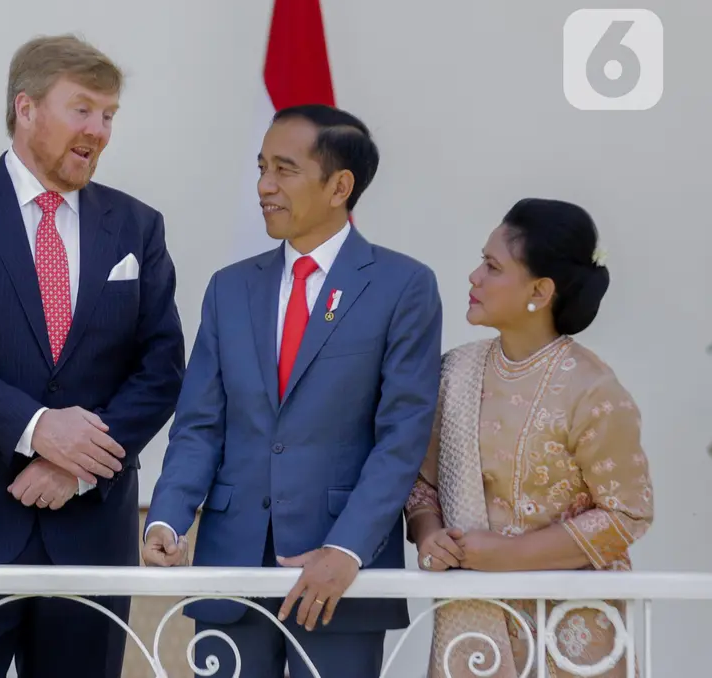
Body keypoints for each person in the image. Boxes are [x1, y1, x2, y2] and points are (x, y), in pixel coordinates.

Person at [0, 34, 186, 678]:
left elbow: (161, 369)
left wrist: (77, 467)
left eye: (109, 116)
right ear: (26, 109)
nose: (99, 131)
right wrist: (37, 429)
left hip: (91, 529)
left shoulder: (138, 226)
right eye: (82, 110)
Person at [142, 104, 443, 678]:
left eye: (284, 169)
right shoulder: (229, 289)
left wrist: (349, 549)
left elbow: (402, 436)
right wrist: (167, 520)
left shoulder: (403, 286)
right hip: (231, 566)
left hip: (340, 575)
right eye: (260, 168)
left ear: (340, 186)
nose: (264, 187)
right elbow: (199, 424)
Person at [405, 198, 654, 678]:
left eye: (493, 266)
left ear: (540, 290)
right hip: (471, 635)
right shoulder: (455, 372)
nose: (474, 277)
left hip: (570, 635)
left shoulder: (592, 389)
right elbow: (422, 483)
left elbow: (628, 512)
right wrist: (429, 533)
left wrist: (510, 556)